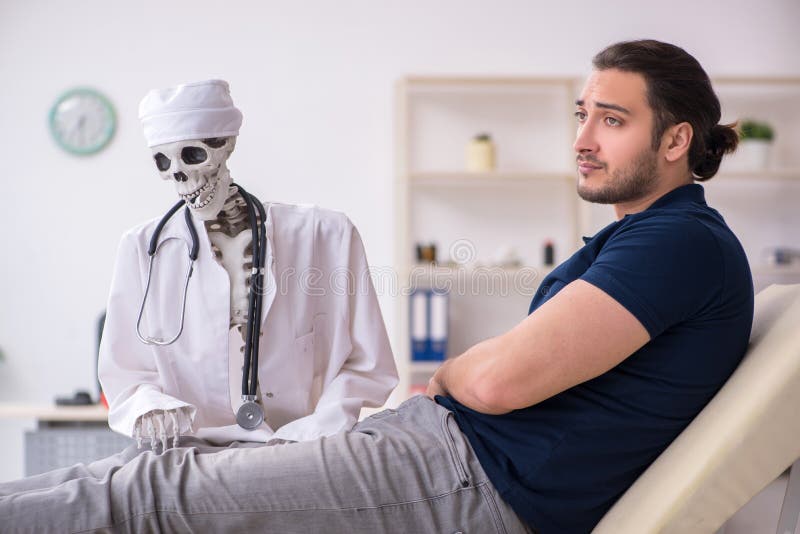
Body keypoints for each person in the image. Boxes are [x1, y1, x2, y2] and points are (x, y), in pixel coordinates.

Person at [0, 40, 753, 534]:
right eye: (582, 114)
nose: (583, 138)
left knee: (149, 499)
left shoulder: (679, 242)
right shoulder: (651, 240)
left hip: (466, 478)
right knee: (156, 477)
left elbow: (495, 381)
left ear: (676, 139)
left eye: (612, 120)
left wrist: (446, 377)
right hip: (446, 453)